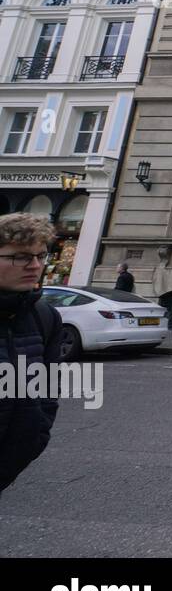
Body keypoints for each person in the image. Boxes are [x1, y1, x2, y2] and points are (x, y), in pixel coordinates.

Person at [0, 214, 62, 499]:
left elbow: (47, 391)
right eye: (21, 257)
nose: (35, 266)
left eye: (40, 255)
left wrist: (35, 437)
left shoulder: (45, 316)